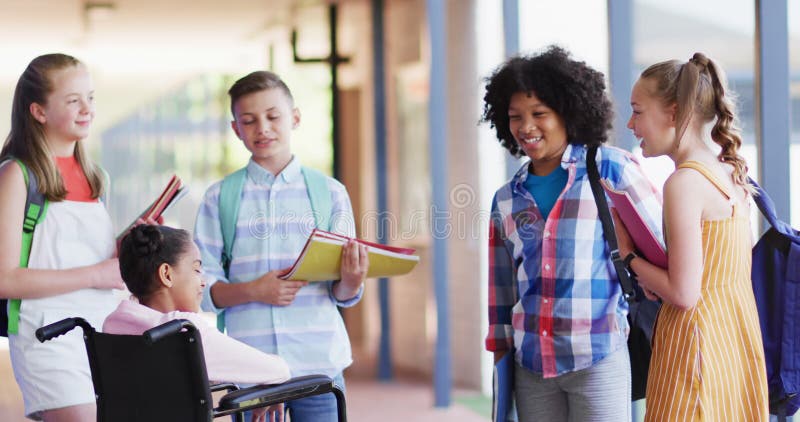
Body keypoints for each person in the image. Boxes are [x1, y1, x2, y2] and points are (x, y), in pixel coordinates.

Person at [481, 46, 664, 421]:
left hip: (598, 357)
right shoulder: (506, 199)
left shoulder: (610, 169)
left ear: (568, 111)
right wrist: (502, 360)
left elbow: (663, 247)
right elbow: (501, 290)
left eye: (539, 114)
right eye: (515, 117)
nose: (526, 127)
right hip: (531, 365)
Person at [193, 70, 368, 422]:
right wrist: (255, 290)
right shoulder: (219, 198)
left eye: (273, 116)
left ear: (296, 118)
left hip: (318, 362)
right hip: (250, 368)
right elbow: (201, 289)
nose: (263, 128)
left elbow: (344, 292)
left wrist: (353, 278)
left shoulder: (330, 193)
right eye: (249, 120)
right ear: (236, 129)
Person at [615, 52, 769, 421]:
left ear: (672, 112)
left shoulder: (683, 183)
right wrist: (658, 277)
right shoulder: (728, 171)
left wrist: (628, 257)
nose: (630, 124)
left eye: (638, 111)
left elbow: (684, 294)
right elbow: (711, 273)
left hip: (695, 348)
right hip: (734, 341)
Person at [0, 53, 125, 421]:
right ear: (39, 111)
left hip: (103, 331)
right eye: (73, 100)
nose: (87, 108)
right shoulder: (16, 175)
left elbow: (87, 257)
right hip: (47, 337)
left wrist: (128, 246)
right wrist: (95, 274)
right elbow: (5, 279)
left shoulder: (95, 176)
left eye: (90, 97)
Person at [104, 224, 291, 422]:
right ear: (166, 274)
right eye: (196, 269)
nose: (203, 281)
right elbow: (279, 371)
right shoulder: (185, 330)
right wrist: (271, 384)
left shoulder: (114, 326)